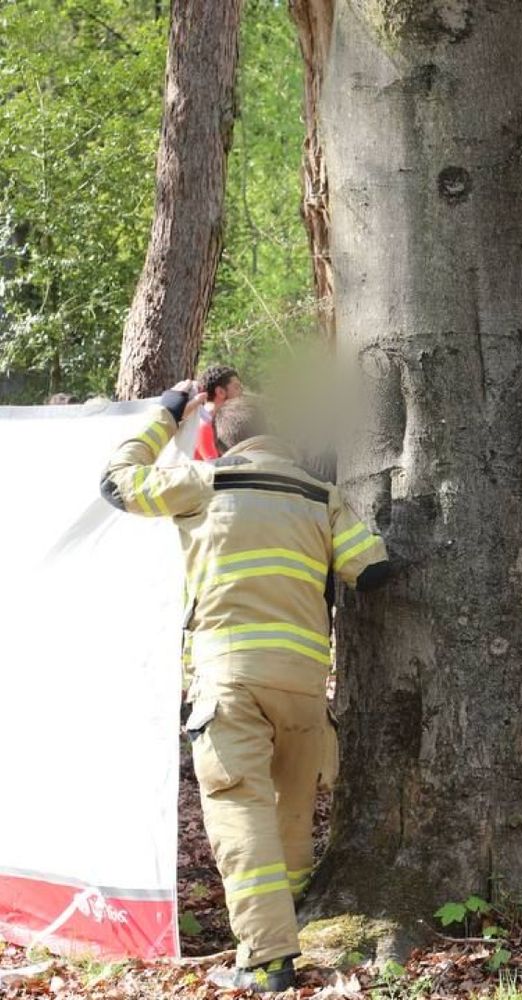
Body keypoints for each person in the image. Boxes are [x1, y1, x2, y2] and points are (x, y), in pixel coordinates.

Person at [100, 381, 390, 992]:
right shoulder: (320, 495)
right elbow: (372, 569)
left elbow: (116, 482)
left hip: (229, 677)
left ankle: (267, 958)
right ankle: (293, 917)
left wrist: (167, 414)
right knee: (290, 808)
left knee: (240, 810)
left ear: (223, 441)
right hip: (304, 684)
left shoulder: (203, 482)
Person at [193, 364, 243, 461]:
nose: (241, 392)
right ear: (220, 392)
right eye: (236, 387)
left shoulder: (211, 420)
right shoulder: (205, 423)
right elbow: (214, 466)